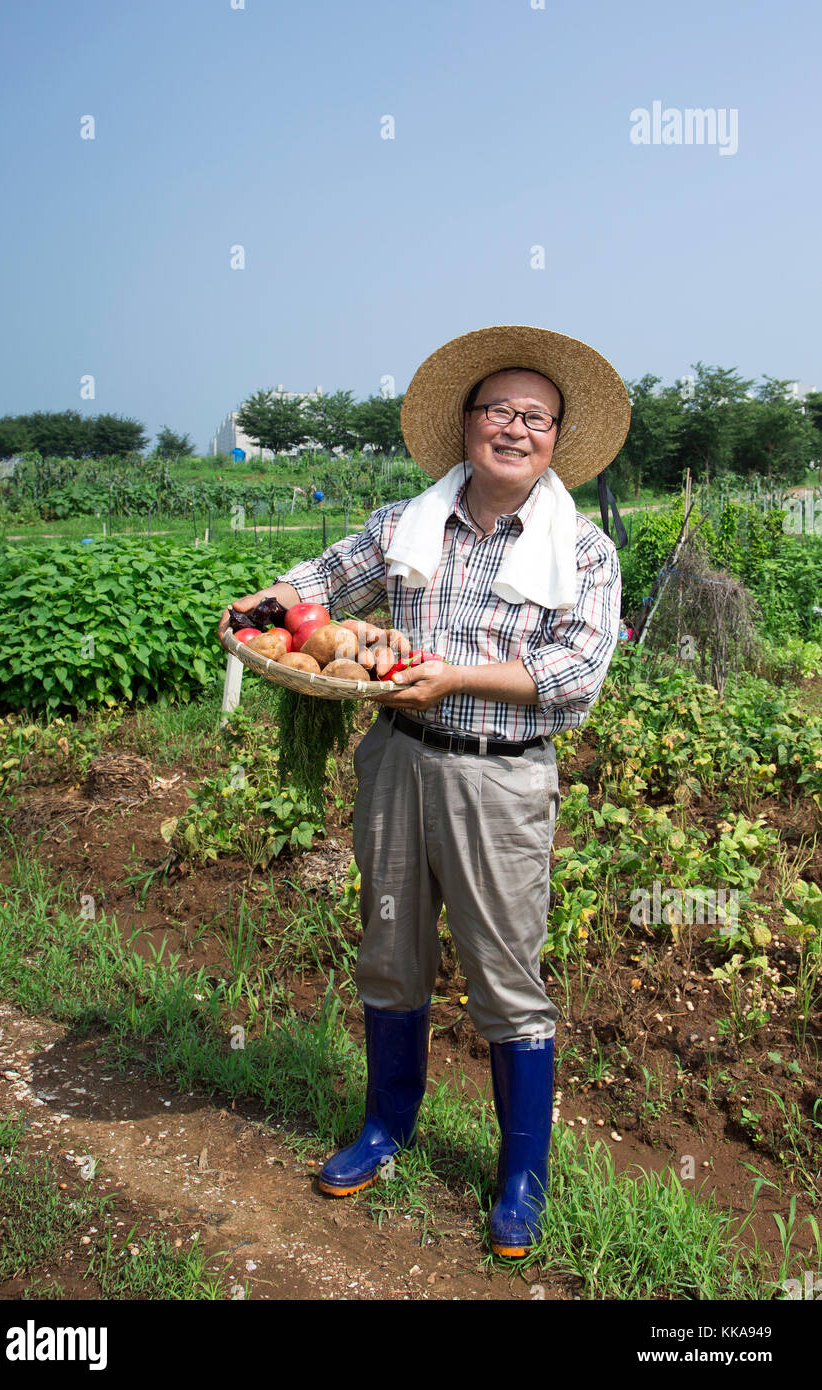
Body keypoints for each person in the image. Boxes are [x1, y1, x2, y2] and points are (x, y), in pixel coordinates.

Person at [217, 324, 630, 1257]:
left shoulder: (585, 551)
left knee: (506, 979)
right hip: (398, 760)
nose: (515, 429)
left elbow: (575, 674)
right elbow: (324, 579)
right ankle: (385, 1127)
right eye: (499, 411)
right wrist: (266, 605)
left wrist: (455, 677)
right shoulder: (408, 525)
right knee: (391, 952)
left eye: (536, 416)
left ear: (557, 437)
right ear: (467, 424)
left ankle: (521, 1177)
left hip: (500, 781)